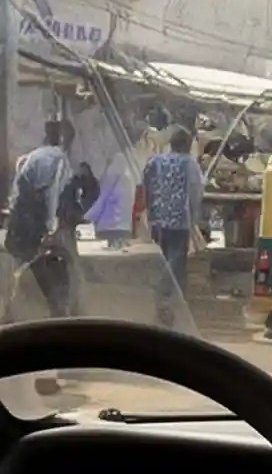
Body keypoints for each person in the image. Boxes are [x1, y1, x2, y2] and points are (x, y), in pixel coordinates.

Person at [4, 120, 77, 319]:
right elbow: (52, 193)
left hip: (20, 217)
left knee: (20, 263)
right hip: (34, 218)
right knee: (50, 262)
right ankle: (59, 308)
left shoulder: (34, 156)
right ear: (65, 140)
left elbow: (17, 191)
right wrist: (50, 226)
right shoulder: (58, 159)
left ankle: (9, 311)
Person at [142, 126, 204, 326]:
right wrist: (194, 219)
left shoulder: (155, 161)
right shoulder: (189, 164)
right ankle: (164, 298)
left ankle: (170, 301)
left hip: (158, 218)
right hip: (179, 220)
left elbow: (146, 187)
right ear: (188, 145)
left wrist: (150, 213)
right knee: (176, 260)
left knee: (164, 256)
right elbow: (195, 192)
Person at [85, 124, 144, 249]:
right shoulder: (133, 158)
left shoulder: (118, 160)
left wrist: (88, 217)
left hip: (112, 222)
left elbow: (104, 194)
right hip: (124, 223)